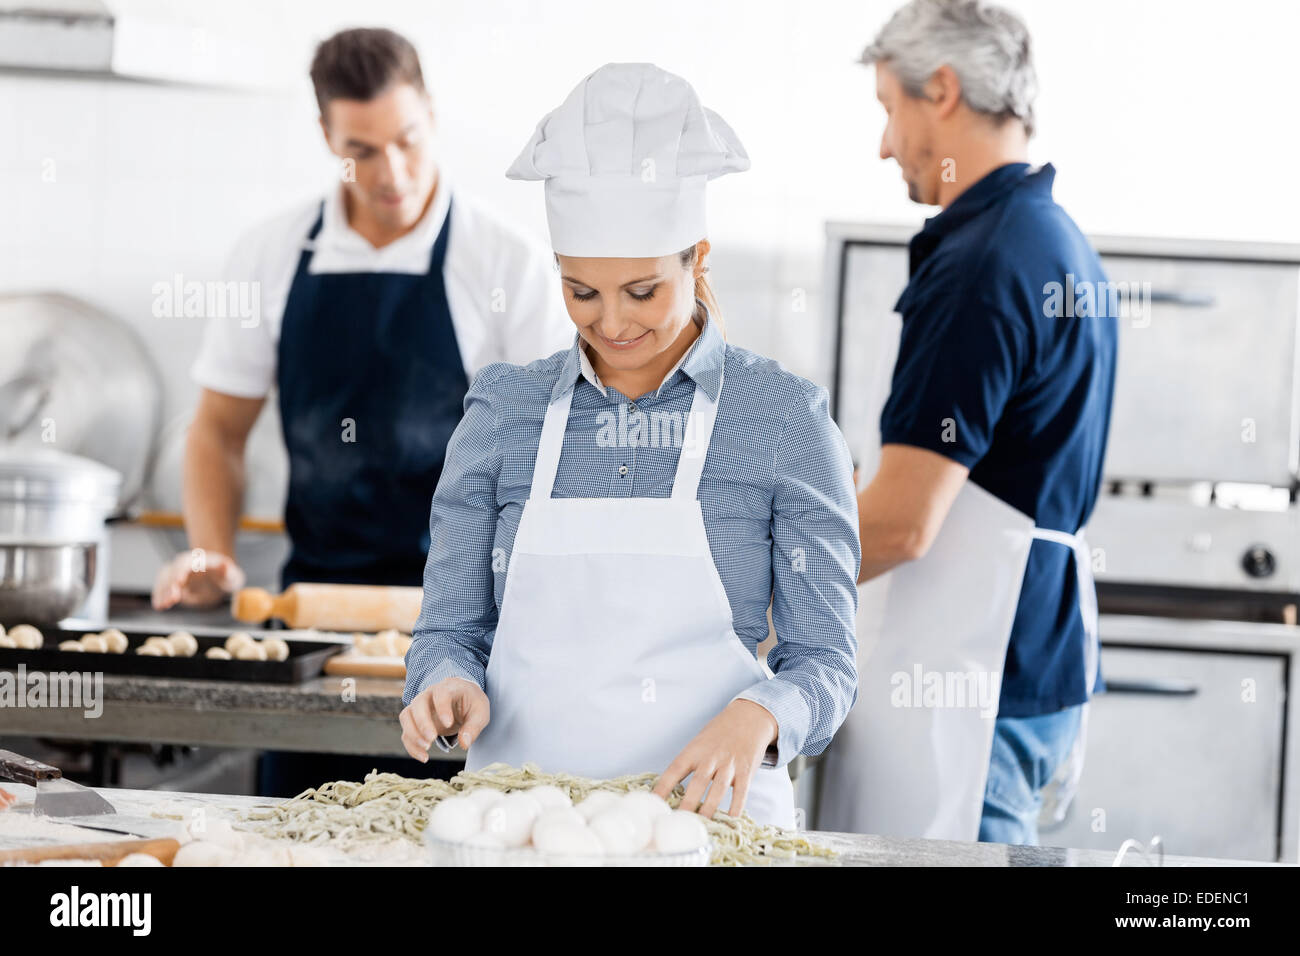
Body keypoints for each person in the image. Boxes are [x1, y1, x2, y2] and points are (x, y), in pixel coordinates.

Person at [398, 63, 860, 827]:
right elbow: (450, 629)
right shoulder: (503, 411)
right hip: (517, 828)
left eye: (642, 291)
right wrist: (445, 680)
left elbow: (826, 663)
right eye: (582, 292)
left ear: (697, 260)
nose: (611, 323)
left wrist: (760, 716)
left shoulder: (783, 418)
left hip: (708, 828)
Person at [152, 27, 571, 797]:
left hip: (465, 634)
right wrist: (214, 551)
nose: (393, 172)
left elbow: (549, 453)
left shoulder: (505, 263)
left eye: (407, 140)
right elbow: (218, 431)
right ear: (326, 137)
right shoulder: (272, 254)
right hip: (312, 626)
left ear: (432, 115)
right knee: (300, 835)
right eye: (363, 149)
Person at [817, 0, 1117, 845]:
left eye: (889, 108)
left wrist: (754, 614)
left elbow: (906, 523)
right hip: (1024, 669)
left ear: (941, 90)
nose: (884, 144)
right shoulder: (1054, 241)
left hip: (970, 687)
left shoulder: (982, 265)